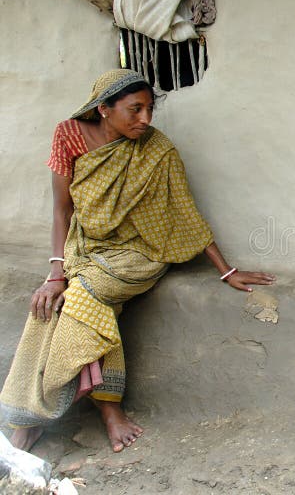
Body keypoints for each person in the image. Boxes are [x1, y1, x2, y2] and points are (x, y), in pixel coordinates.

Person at [0, 69, 276, 453]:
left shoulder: (157, 149)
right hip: (86, 247)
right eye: (135, 109)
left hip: (141, 252)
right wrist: (55, 273)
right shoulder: (68, 135)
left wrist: (226, 270)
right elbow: (61, 210)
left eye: (149, 109)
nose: (145, 119)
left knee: (81, 296)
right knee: (49, 302)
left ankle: (59, 416)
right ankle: (38, 415)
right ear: (104, 109)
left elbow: (185, 212)